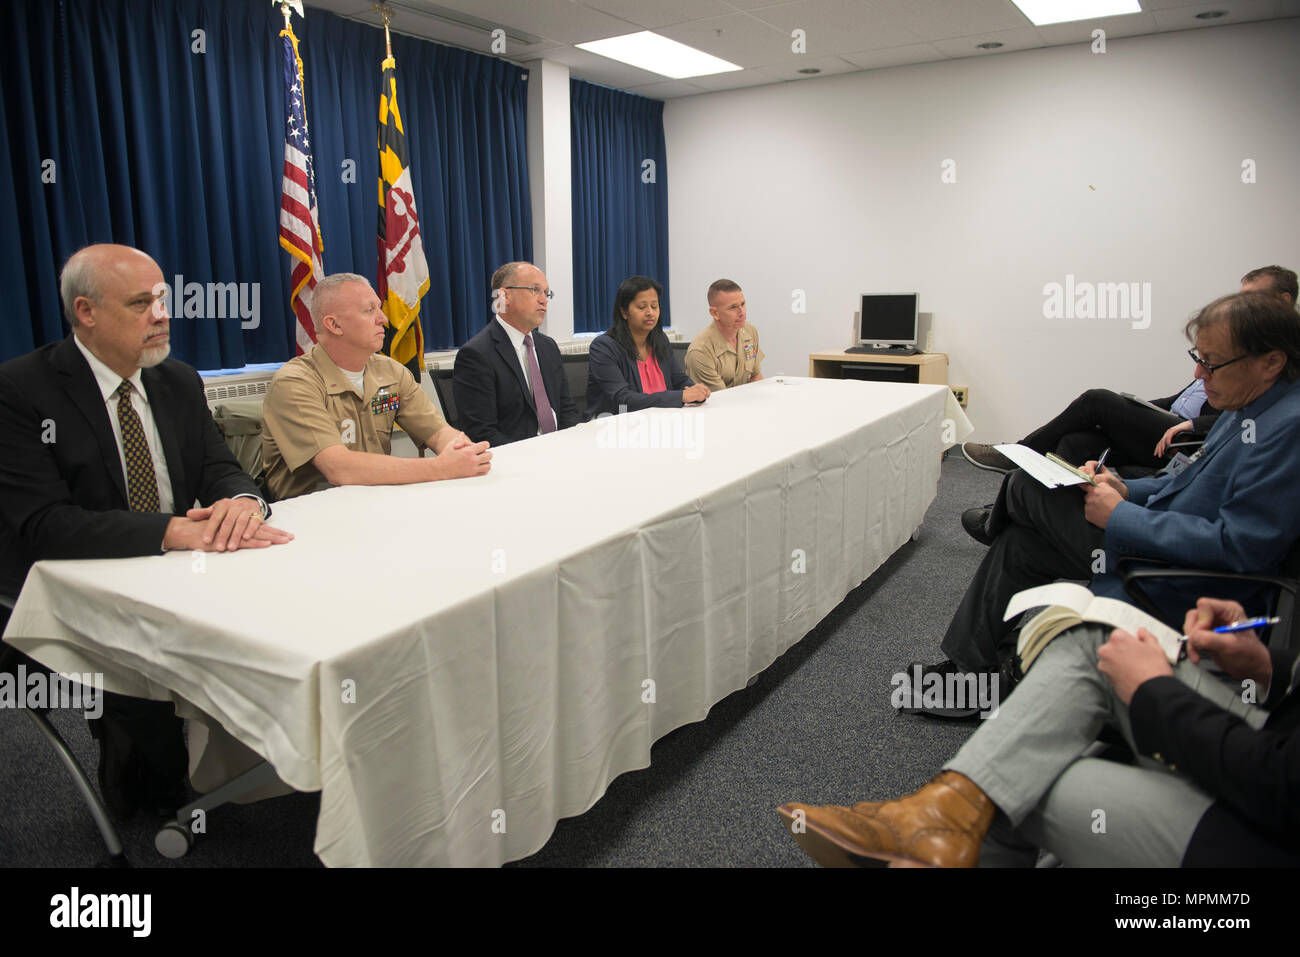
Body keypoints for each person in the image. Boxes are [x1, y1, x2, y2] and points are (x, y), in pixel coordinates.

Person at [0, 243, 293, 818]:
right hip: (75, 583)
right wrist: (174, 532)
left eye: (162, 298)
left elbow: (223, 468)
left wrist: (241, 502)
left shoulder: (177, 380)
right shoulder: (21, 390)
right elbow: (44, 526)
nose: (162, 313)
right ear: (86, 312)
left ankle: (265, 758)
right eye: (141, 303)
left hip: (179, 567)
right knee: (148, 789)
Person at [908, 290, 1300, 717]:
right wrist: (1126, 490)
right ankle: (974, 671)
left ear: (1271, 361)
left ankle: (994, 522)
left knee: (1026, 485)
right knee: (1019, 543)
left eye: (1211, 362)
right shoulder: (1251, 403)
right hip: (1155, 541)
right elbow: (1188, 480)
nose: (1198, 372)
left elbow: (1240, 548)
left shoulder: (1287, 429)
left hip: (1180, 579)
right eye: (1198, 357)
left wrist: (1122, 517)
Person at [780, 596, 1300, 867]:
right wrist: (1272, 667)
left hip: (1268, 835)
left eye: (1209, 377)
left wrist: (1151, 693)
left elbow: (1282, 786)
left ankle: (941, 822)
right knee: (1091, 641)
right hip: (1278, 736)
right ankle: (940, 817)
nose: (1197, 382)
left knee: (1024, 772)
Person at [961, 266, 1296, 477]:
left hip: (1187, 438)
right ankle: (1017, 514)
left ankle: (1018, 453)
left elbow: (1250, 415)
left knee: (1097, 400)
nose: (1241, 309)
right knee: (1079, 440)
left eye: (1252, 299)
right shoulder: (1230, 349)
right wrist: (1133, 409)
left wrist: (1194, 423)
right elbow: (1188, 395)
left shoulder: (1274, 356)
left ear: (1282, 300)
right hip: (1171, 421)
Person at [261, 273, 491, 500]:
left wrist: (462, 452)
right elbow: (338, 468)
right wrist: (440, 468)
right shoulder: (295, 382)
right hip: (311, 511)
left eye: (378, 308)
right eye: (369, 310)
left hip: (376, 498)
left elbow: (437, 431)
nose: (383, 319)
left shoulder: (391, 371)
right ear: (334, 324)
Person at [452, 262, 580, 446]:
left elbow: (566, 410)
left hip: (559, 451)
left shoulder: (547, 346)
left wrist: (572, 445)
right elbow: (482, 432)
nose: (544, 300)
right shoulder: (476, 355)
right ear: (504, 296)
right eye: (535, 290)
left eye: (546, 293)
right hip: (516, 460)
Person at [586, 276, 710, 418]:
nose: (650, 312)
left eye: (654, 306)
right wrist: (680, 396)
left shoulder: (660, 339)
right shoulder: (604, 347)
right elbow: (623, 400)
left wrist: (695, 390)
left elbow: (679, 379)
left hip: (662, 421)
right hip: (616, 426)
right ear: (624, 312)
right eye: (642, 307)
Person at [684, 279, 764, 391]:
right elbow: (720, 399)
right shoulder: (701, 351)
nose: (742, 312)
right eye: (733, 307)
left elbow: (756, 376)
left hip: (745, 404)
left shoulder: (749, 331)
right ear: (714, 313)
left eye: (743, 304)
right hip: (718, 406)